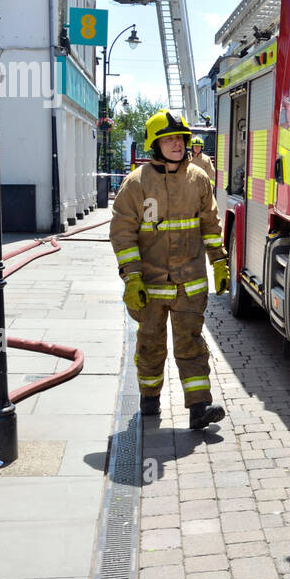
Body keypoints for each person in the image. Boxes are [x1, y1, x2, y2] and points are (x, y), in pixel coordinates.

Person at [111, 111, 230, 430]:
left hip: (189, 284)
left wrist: (218, 260)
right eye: (169, 139)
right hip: (148, 286)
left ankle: (199, 408)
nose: (177, 144)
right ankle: (149, 398)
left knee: (191, 344)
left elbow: (210, 224)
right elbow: (123, 232)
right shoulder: (137, 183)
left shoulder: (199, 179)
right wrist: (132, 276)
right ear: (156, 144)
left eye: (180, 138)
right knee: (150, 343)